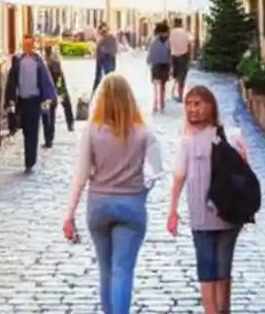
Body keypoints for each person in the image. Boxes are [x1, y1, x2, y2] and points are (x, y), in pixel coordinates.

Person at [63, 74, 162, 314]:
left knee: (105, 269)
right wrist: (140, 191)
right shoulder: (144, 133)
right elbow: (156, 171)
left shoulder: (92, 131)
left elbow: (81, 174)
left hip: (98, 205)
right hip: (131, 206)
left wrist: (70, 213)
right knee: (122, 270)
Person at [167, 86, 249, 314]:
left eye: (198, 103)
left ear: (211, 106)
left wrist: (172, 209)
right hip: (218, 214)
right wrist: (173, 210)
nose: (193, 109)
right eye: (189, 104)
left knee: (209, 268)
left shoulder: (191, 141)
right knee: (220, 268)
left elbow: (179, 176)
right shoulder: (232, 136)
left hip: (213, 215)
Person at [4, 35, 58, 173]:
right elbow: (12, 82)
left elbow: (46, 81)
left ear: (33, 46)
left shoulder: (38, 61)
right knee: (26, 130)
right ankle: (28, 157)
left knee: (33, 130)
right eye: (25, 45)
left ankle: (30, 160)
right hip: (22, 100)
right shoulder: (19, 61)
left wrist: (48, 99)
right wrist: (10, 100)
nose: (27, 47)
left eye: (30, 45)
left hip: (35, 100)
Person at [43, 44, 75, 144]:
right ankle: (69, 123)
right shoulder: (51, 61)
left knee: (51, 110)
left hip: (54, 87)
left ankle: (49, 138)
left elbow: (58, 77)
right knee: (57, 107)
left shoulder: (49, 62)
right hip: (57, 86)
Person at [146, 21, 172, 113]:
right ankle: (161, 104)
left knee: (156, 84)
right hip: (165, 64)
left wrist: (148, 61)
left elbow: (150, 52)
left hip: (156, 64)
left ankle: (156, 103)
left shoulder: (154, 40)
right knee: (163, 85)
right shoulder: (168, 40)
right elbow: (170, 53)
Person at [169, 17, 193, 102]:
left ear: (174, 23)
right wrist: (190, 58)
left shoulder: (171, 33)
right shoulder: (185, 33)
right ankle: (180, 95)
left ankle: (172, 91)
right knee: (182, 77)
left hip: (173, 56)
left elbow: (168, 46)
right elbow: (190, 45)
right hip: (183, 56)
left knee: (175, 75)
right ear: (181, 23)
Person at [94, 22, 119, 91]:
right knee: (110, 76)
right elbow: (116, 49)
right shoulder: (112, 37)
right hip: (111, 58)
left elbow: (99, 49)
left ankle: (97, 90)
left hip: (104, 58)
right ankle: (110, 90)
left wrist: (100, 55)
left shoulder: (103, 39)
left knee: (101, 77)